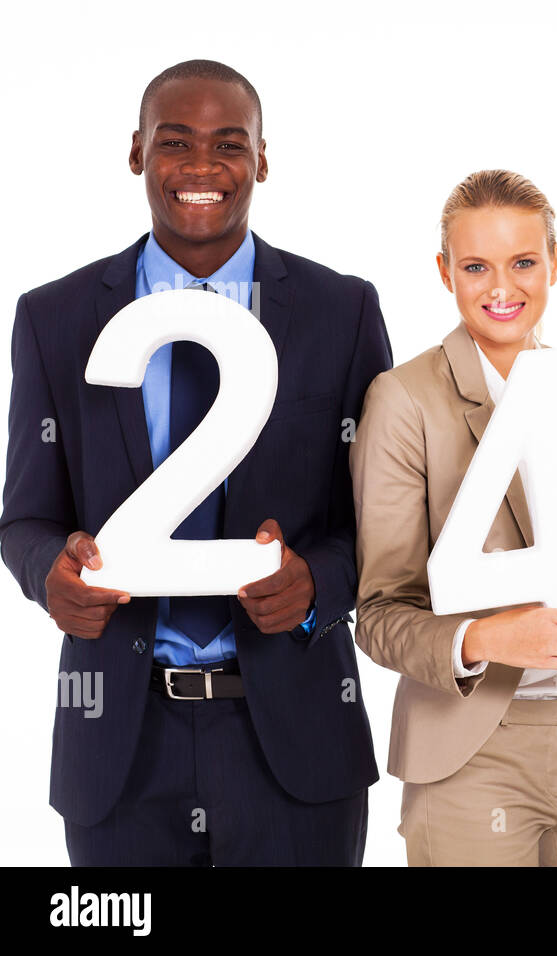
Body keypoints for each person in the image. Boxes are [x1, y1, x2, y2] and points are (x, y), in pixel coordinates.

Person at [0, 60, 391, 865]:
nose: (203, 166)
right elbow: (26, 516)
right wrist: (50, 575)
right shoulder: (55, 316)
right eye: (176, 142)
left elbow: (384, 522)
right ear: (137, 152)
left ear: (262, 159)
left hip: (294, 741)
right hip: (119, 743)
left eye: (229, 144)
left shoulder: (341, 310)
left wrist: (316, 584)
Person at [350, 169, 557, 866]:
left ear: (556, 262)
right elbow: (379, 613)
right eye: (476, 267)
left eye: (523, 263)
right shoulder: (404, 399)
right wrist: (489, 638)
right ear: (444, 272)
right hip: (469, 747)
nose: (501, 288)